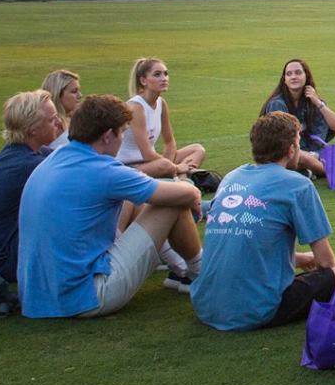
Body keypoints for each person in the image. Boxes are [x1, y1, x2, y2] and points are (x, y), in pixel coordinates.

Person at [16, 95, 204, 320]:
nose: (123, 138)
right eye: (123, 132)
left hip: (39, 297)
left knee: (144, 198)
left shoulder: (56, 157)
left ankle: (181, 267)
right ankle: (202, 273)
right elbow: (183, 194)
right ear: (107, 136)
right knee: (172, 200)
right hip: (85, 296)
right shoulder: (102, 169)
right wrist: (190, 192)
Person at [192, 112, 335, 332]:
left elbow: (246, 238)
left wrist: (298, 259)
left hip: (205, 304)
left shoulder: (233, 176)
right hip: (255, 309)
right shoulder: (297, 185)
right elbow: (326, 263)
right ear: (292, 149)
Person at [0, 90, 62, 284]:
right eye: (52, 119)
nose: (59, 123)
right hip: (7, 260)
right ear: (32, 129)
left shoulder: (24, 152)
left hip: (4, 251)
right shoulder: (25, 165)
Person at [124, 57, 206, 178]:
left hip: (152, 163)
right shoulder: (136, 107)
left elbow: (169, 142)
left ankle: (175, 175)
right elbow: (146, 154)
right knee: (165, 167)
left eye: (165, 74)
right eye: (157, 75)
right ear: (143, 81)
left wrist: (168, 162)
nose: (164, 78)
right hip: (130, 167)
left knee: (198, 150)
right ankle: (182, 175)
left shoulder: (161, 103)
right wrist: (173, 166)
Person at [263, 58, 335, 177]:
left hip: (312, 152)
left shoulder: (313, 102)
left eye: (298, 73)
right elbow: (281, 142)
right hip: (283, 154)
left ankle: (307, 172)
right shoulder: (278, 104)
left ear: (307, 76)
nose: (293, 77)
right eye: (289, 74)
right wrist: (308, 156)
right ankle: (331, 173)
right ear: (284, 80)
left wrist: (318, 102)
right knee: (305, 158)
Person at [42, 69, 83, 142]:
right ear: (57, 95)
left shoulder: (74, 119)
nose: (80, 95)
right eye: (74, 91)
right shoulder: (53, 126)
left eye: (79, 91)